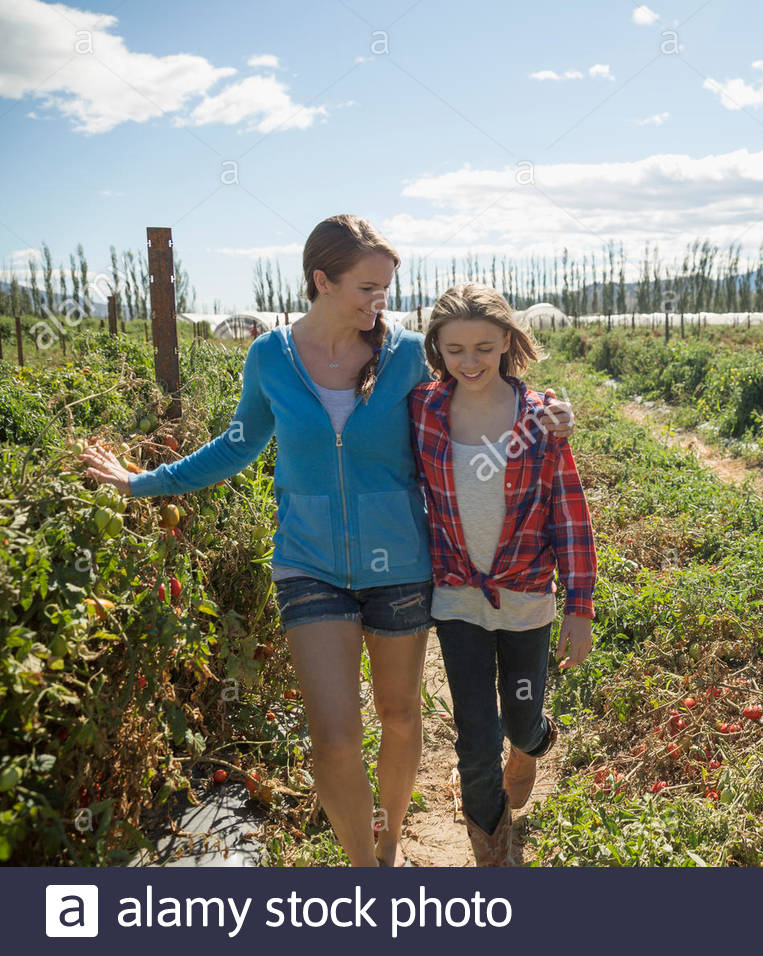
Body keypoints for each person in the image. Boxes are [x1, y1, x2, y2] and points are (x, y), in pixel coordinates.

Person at [75, 214, 575, 868]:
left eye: (387, 289)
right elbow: (238, 444)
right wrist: (143, 483)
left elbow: (474, 391)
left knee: (399, 720)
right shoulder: (270, 357)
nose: (381, 302)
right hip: (308, 564)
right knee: (334, 738)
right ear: (322, 281)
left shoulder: (403, 356)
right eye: (368, 287)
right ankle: (367, 875)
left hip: (399, 564)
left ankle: (391, 839)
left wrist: (545, 415)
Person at [409, 282, 596, 867]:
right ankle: (493, 851)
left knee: (518, 716)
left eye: (484, 348)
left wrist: (579, 606)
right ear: (436, 348)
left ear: (508, 343)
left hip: (524, 594)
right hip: (458, 595)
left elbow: (568, 512)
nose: (470, 362)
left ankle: (532, 742)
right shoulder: (423, 410)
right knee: (475, 732)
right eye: (455, 348)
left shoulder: (539, 418)